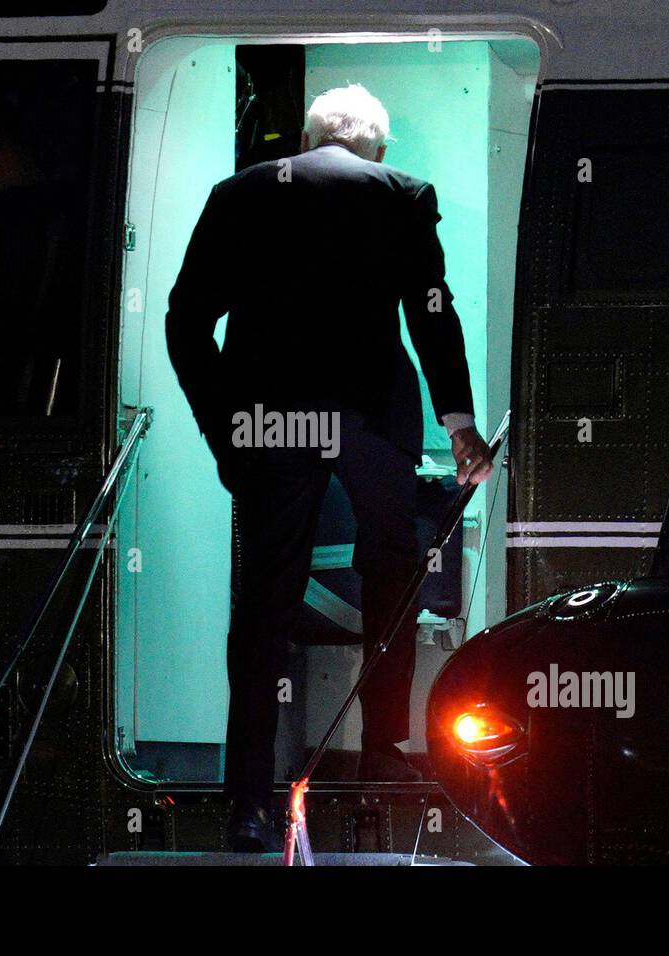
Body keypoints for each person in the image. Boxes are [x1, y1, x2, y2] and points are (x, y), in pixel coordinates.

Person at [166, 83, 493, 852]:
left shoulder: (239, 193)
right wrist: (462, 425)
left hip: (270, 417)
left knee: (264, 603)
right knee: (394, 572)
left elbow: (186, 318)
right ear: (375, 149)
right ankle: (382, 753)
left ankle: (249, 798)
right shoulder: (403, 194)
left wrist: (225, 428)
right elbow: (432, 312)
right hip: (373, 417)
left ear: (311, 138)